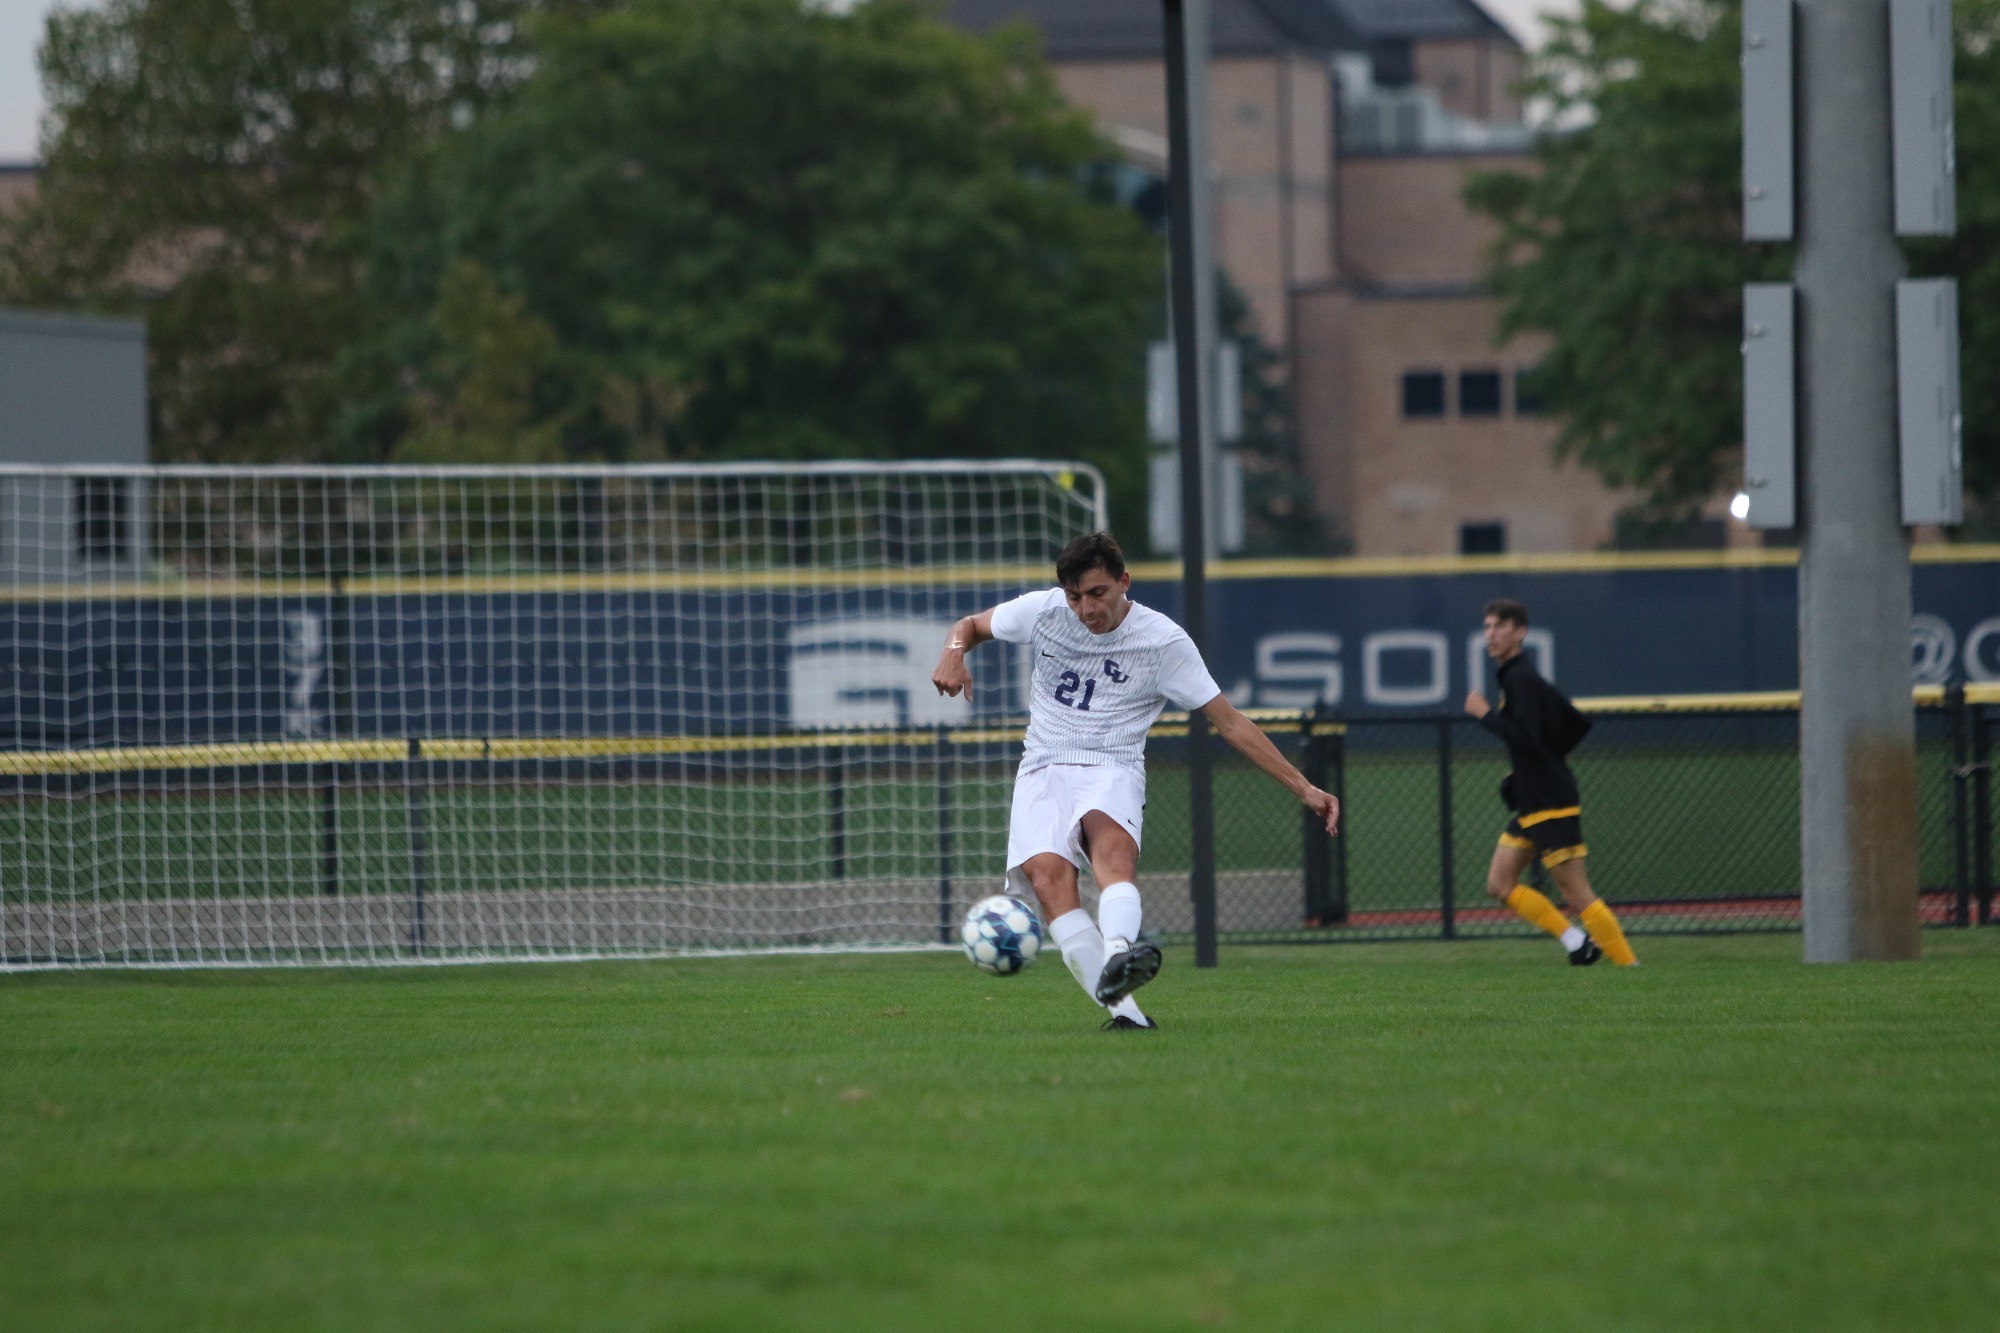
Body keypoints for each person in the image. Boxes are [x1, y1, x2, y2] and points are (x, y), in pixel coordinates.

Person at [931, 531, 1341, 1029]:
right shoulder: (1044, 611)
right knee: (1048, 883)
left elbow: (1230, 722)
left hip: (1112, 764)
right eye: (1075, 596)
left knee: (1114, 859)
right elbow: (971, 626)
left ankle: (1120, 951)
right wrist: (954, 650)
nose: (1086, 608)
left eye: (1097, 593)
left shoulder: (1162, 641)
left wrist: (1304, 787)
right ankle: (1127, 1014)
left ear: (1124, 581)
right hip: (1042, 765)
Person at [1465, 598, 1638, 967]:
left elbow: (1527, 738)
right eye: (1487, 627)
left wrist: (1485, 716)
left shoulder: (1520, 678)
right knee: (1499, 883)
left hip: (1550, 802)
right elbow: (1571, 726)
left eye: (1500, 626)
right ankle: (1577, 942)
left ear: (1520, 632)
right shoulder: (1518, 676)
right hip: (1534, 798)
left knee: (1576, 893)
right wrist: (1532, 768)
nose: (1491, 634)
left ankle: (1629, 966)